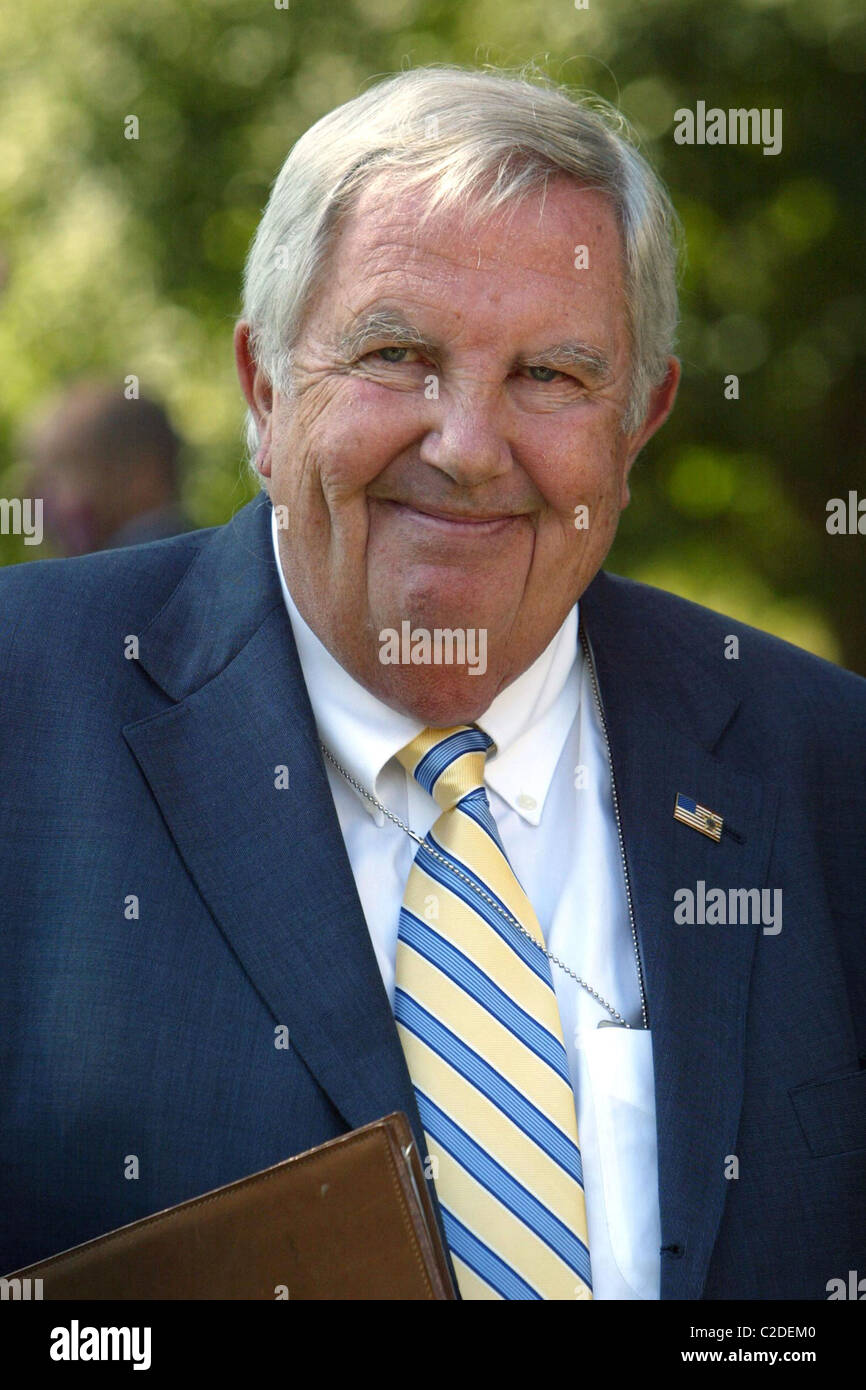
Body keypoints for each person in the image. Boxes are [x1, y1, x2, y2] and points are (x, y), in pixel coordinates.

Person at [1, 66, 863, 1300]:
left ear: (639, 424)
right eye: (394, 353)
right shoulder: (21, 713)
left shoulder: (828, 771)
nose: (464, 447)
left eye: (549, 376)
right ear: (262, 386)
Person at [20, 380, 191, 555]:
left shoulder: (136, 570)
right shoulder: (205, 563)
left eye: (68, 469)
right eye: (46, 477)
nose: (44, 497)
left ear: (143, 476)